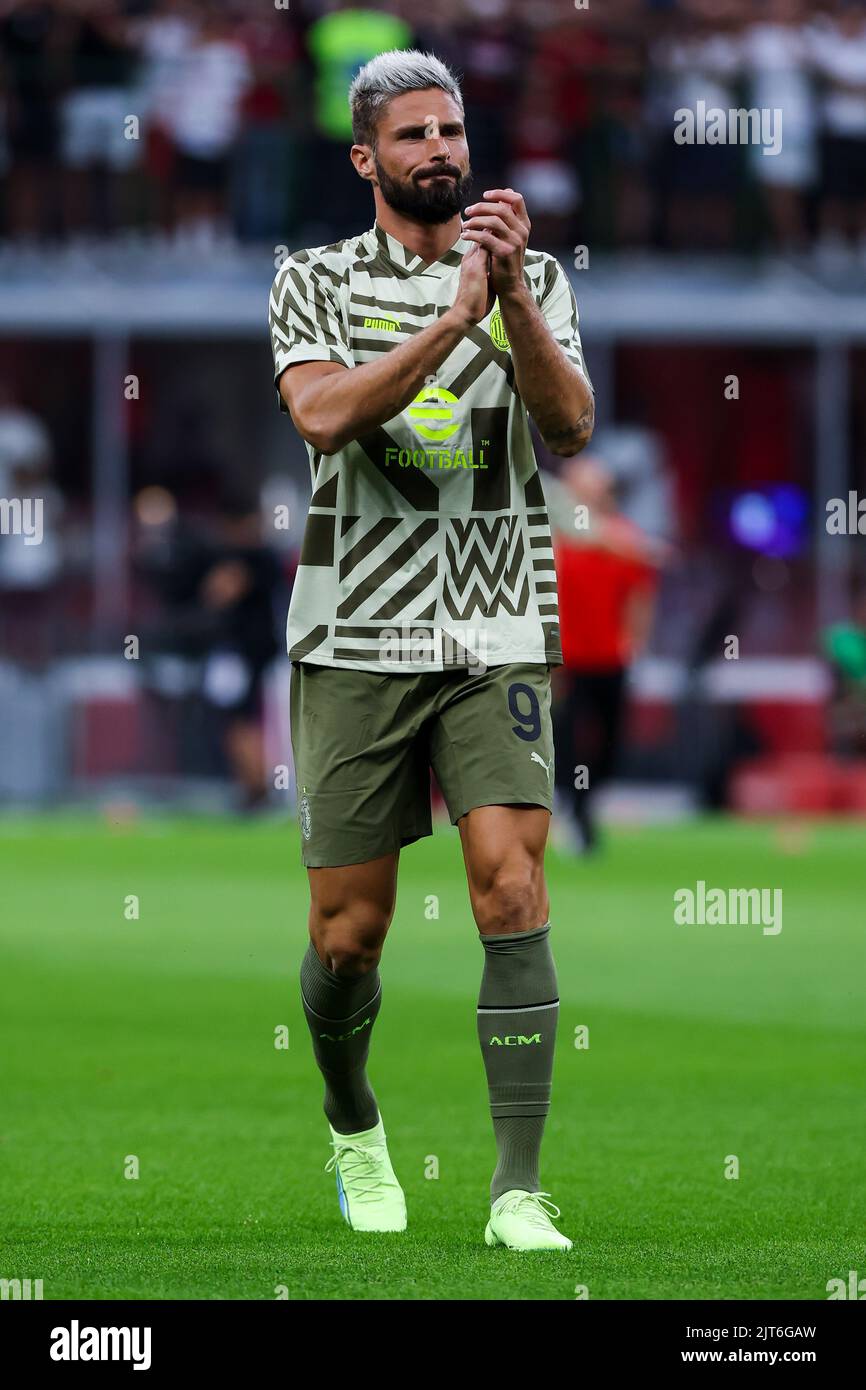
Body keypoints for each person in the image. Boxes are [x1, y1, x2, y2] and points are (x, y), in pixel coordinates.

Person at [269, 49, 594, 1251]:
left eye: (451, 131)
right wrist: (447, 319)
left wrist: (502, 301)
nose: (440, 152)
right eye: (412, 136)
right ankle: (352, 1119)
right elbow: (320, 415)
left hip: (497, 622)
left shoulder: (537, 277)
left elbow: (567, 427)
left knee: (511, 886)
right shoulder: (310, 280)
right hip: (354, 631)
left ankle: (516, 1187)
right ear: (365, 157)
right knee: (346, 934)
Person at [551, 455, 661, 853]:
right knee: (565, 737)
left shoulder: (624, 540)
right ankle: (573, 808)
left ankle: (584, 805)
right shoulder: (557, 537)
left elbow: (639, 598)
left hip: (611, 657)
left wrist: (635, 645)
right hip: (568, 658)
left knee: (611, 743)